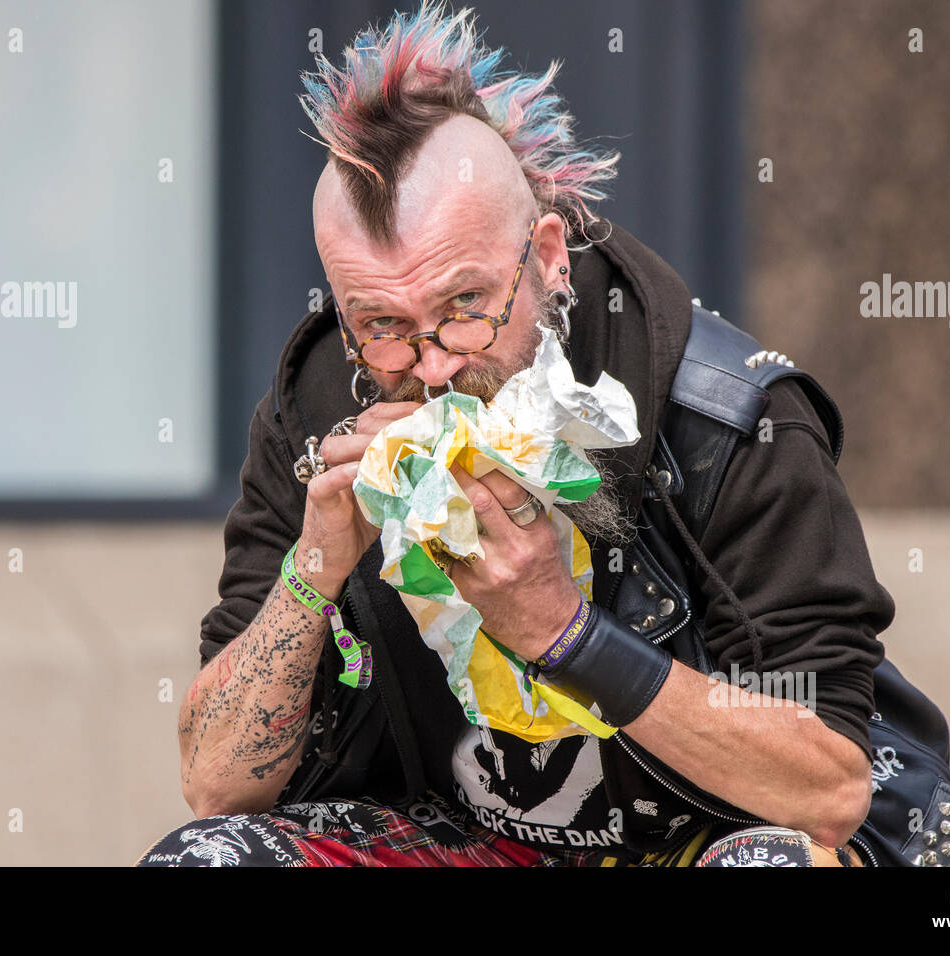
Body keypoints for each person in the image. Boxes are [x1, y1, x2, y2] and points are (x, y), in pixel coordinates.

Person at [137, 0, 894, 868]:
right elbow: (215, 788)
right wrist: (317, 566)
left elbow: (831, 793)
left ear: (547, 257)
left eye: (465, 307)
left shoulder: (731, 420)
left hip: (703, 841)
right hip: (460, 842)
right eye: (381, 322)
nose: (430, 366)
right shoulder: (315, 412)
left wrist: (562, 633)